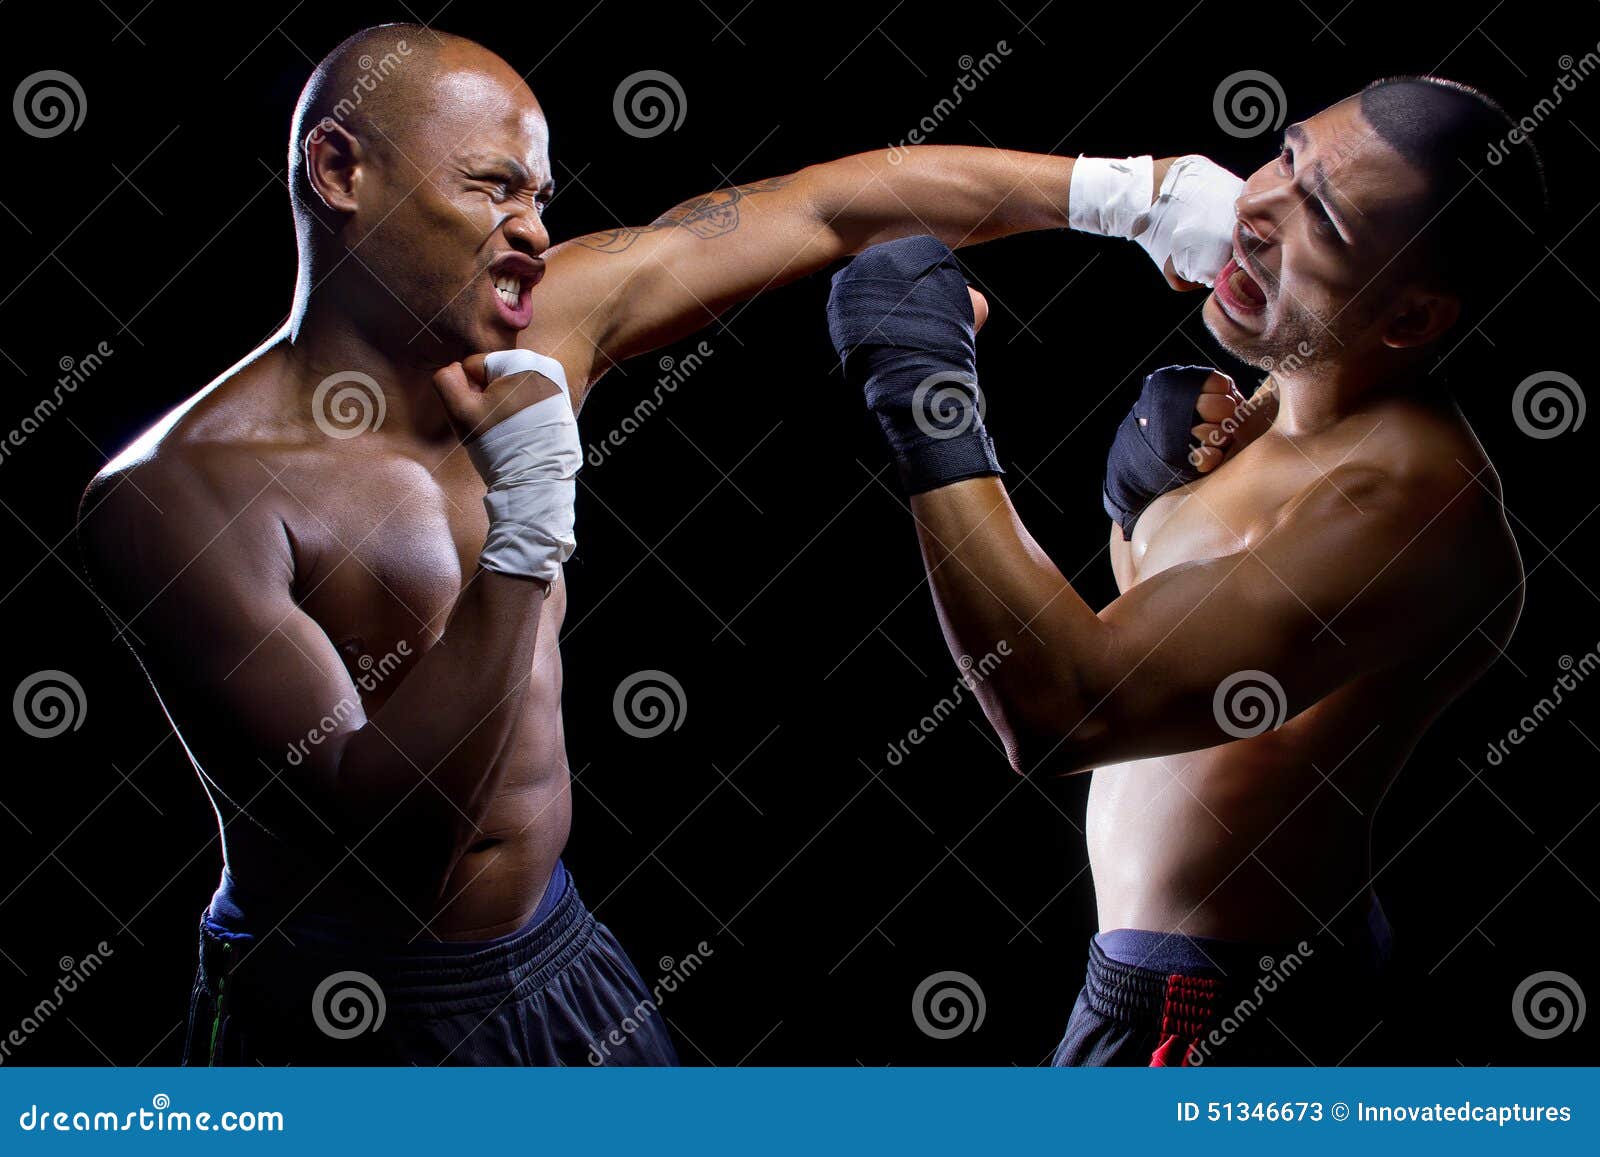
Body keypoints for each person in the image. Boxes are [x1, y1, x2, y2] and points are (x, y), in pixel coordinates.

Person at [76, 23, 1237, 1064]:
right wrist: (526, 524)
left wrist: (1132, 193)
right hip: (350, 1017)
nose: (532, 229)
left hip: (556, 950)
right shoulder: (181, 496)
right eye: (492, 189)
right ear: (338, 169)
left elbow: (831, 205)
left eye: (539, 194)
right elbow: (393, 846)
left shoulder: (546, 324)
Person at [826, 76, 1545, 1065]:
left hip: (1225, 1007)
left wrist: (923, 395)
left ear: (1411, 321)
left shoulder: (1408, 504)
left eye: (1320, 221)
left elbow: (1069, 705)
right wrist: (1137, 507)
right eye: (1286, 160)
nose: (1256, 212)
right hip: (1164, 978)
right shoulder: (1269, 408)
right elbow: (1166, 628)